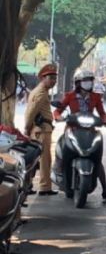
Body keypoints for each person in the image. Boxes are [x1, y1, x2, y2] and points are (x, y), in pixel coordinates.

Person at [54, 69, 106, 203]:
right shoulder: (69, 96)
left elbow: (102, 112)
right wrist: (59, 117)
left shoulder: (96, 97)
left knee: (97, 160)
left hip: (91, 131)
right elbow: (58, 110)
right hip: (73, 129)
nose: (89, 83)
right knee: (66, 155)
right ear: (78, 83)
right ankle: (64, 181)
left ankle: (105, 190)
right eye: (86, 81)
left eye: (90, 81)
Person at [23, 64, 58, 195]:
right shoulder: (41, 93)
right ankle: (44, 187)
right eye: (51, 78)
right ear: (43, 78)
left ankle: (28, 186)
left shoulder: (41, 91)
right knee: (44, 159)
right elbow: (31, 112)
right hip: (41, 130)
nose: (53, 81)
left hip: (41, 129)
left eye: (55, 78)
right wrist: (26, 129)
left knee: (36, 160)